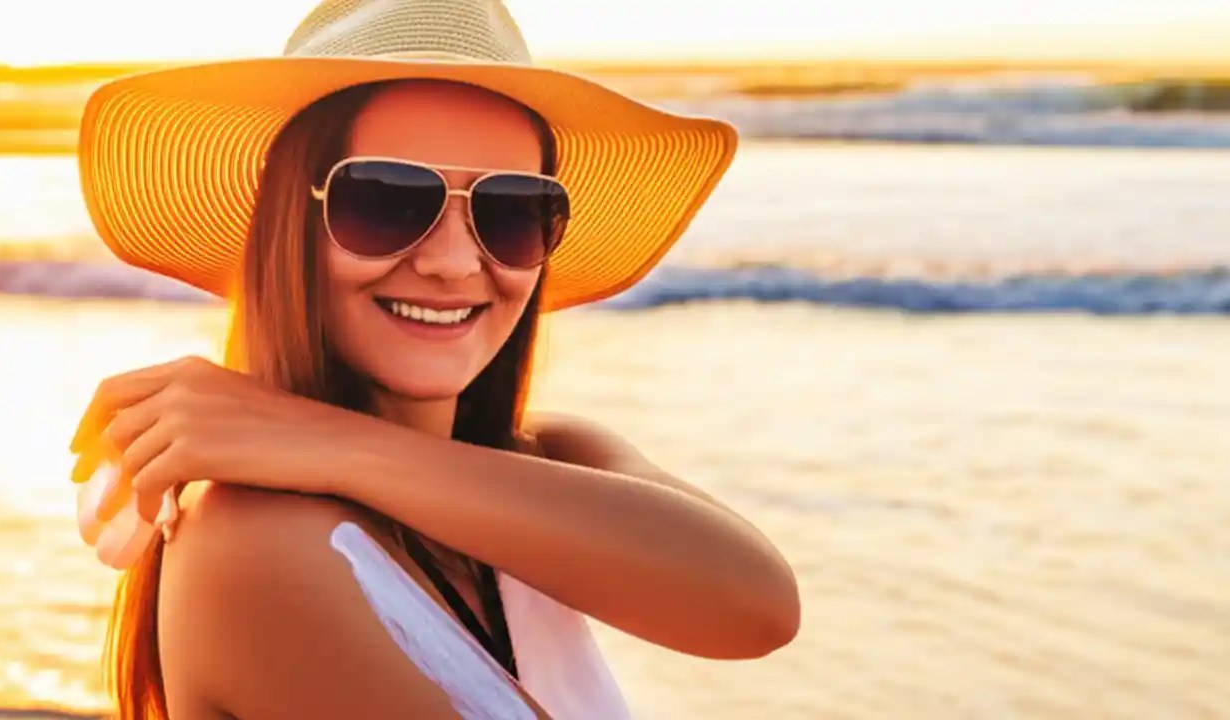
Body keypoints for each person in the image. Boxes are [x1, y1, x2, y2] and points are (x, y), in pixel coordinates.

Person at [69, 0, 801, 717]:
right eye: (385, 199)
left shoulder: (552, 455)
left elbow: (759, 608)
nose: (455, 263)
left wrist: (327, 444)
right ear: (292, 225)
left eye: (511, 210)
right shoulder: (256, 543)